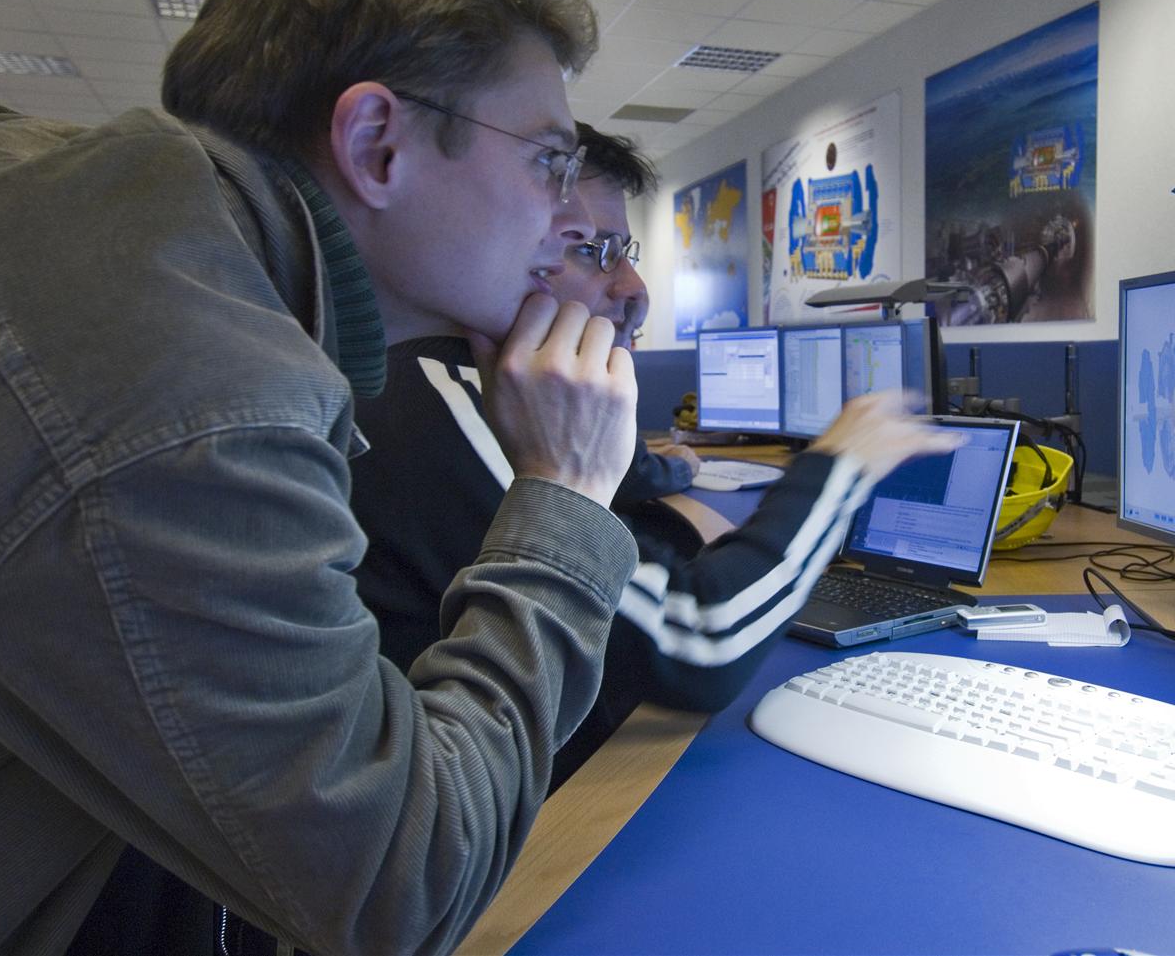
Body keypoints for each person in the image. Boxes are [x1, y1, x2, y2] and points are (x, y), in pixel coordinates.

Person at [0, 0, 628, 952]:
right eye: (548, 161)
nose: (564, 214)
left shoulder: (150, 242)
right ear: (377, 142)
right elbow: (399, 888)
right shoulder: (195, 389)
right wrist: (565, 493)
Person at [351, 123, 948, 790]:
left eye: (624, 251)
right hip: (528, 820)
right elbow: (705, 639)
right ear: (510, 245)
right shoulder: (443, 403)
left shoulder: (433, 380)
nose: (635, 287)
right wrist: (840, 467)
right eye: (591, 250)